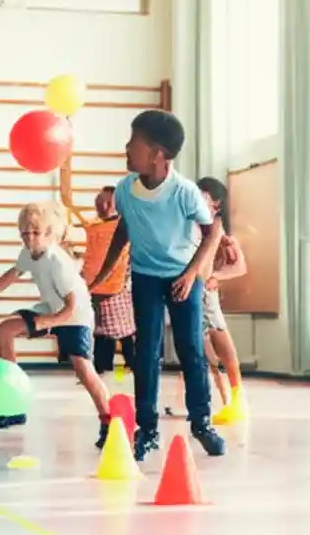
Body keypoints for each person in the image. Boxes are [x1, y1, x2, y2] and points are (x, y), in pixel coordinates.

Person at [91, 110, 231, 461]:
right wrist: (106, 271)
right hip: (146, 277)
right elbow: (124, 229)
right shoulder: (125, 189)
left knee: (191, 352)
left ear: (157, 153)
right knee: (146, 354)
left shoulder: (184, 192)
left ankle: (202, 423)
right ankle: (147, 429)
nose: (126, 147)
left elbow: (212, 231)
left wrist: (191, 275)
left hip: (183, 277)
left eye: (133, 141)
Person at [0, 203, 113, 446]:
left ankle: (108, 422)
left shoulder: (57, 262)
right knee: (4, 330)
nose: (29, 238)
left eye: (36, 232)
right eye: (24, 233)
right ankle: (13, 405)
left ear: (49, 233)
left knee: (83, 369)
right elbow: (9, 276)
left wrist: (45, 322)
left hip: (76, 317)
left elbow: (71, 307)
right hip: (51, 309)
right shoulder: (28, 254)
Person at [195, 177, 246, 408]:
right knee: (200, 348)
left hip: (205, 292)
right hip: (190, 290)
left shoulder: (217, 227)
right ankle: (222, 398)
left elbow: (239, 266)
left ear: (216, 202)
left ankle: (236, 398)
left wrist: (216, 277)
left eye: (204, 195)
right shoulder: (193, 222)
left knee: (219, 337)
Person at [80, 186, 136, 375]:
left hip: (114, 284)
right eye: (99, 201)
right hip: (92, 285)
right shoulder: (93, 226)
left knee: (122, 329)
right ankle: (101, 368)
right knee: (100, 330)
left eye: (107, 202)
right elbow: (91, 254)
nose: (102, 206)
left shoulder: (123, 225)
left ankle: (134, 364)